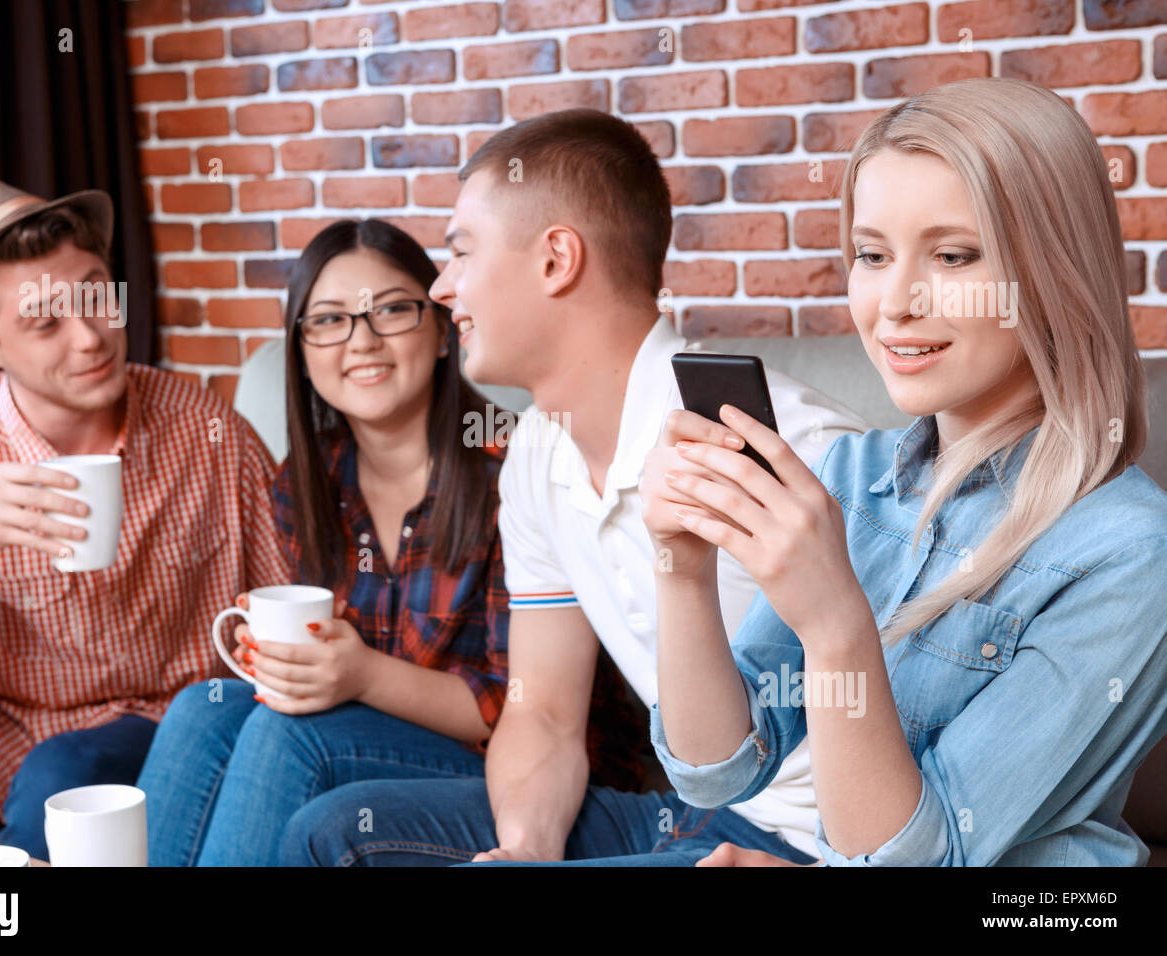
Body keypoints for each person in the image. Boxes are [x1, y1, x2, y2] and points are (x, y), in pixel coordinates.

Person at [279, 110, 868, 867]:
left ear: (557, 259)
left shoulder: (793, 447)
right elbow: (547, 714)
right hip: (682, 815)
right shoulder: (535, 454)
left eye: (461, 251)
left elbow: (934, 728)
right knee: (333, 834)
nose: (441, 286)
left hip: (809, 845)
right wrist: (524, 849)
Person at [643, 77, 1167, 866]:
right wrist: (683, 570)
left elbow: (926, 859)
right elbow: (719, 770)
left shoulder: (1131, 553)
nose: (894, 304)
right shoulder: (852, 475)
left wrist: (834, 622)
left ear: (1053, 271)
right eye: (872, 255)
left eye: (952, 256)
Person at [135, 218, 646, 866]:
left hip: (528, 775)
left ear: (440, 329)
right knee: (202, 712)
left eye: (393, 311)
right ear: (302, 348)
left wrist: (358, 674)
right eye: (329, 320)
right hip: (374, 739)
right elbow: (335, 652)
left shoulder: (512, 463)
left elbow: (520, 709)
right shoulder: (310, 478)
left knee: (283, 733)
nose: (362, 341)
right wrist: (294, 663)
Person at [0, 171, 290, 860]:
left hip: (157, 720)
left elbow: (281, 610)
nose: (91, 338)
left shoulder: (208, 431)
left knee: (61, 789)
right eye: (45, 323)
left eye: (98, 298)